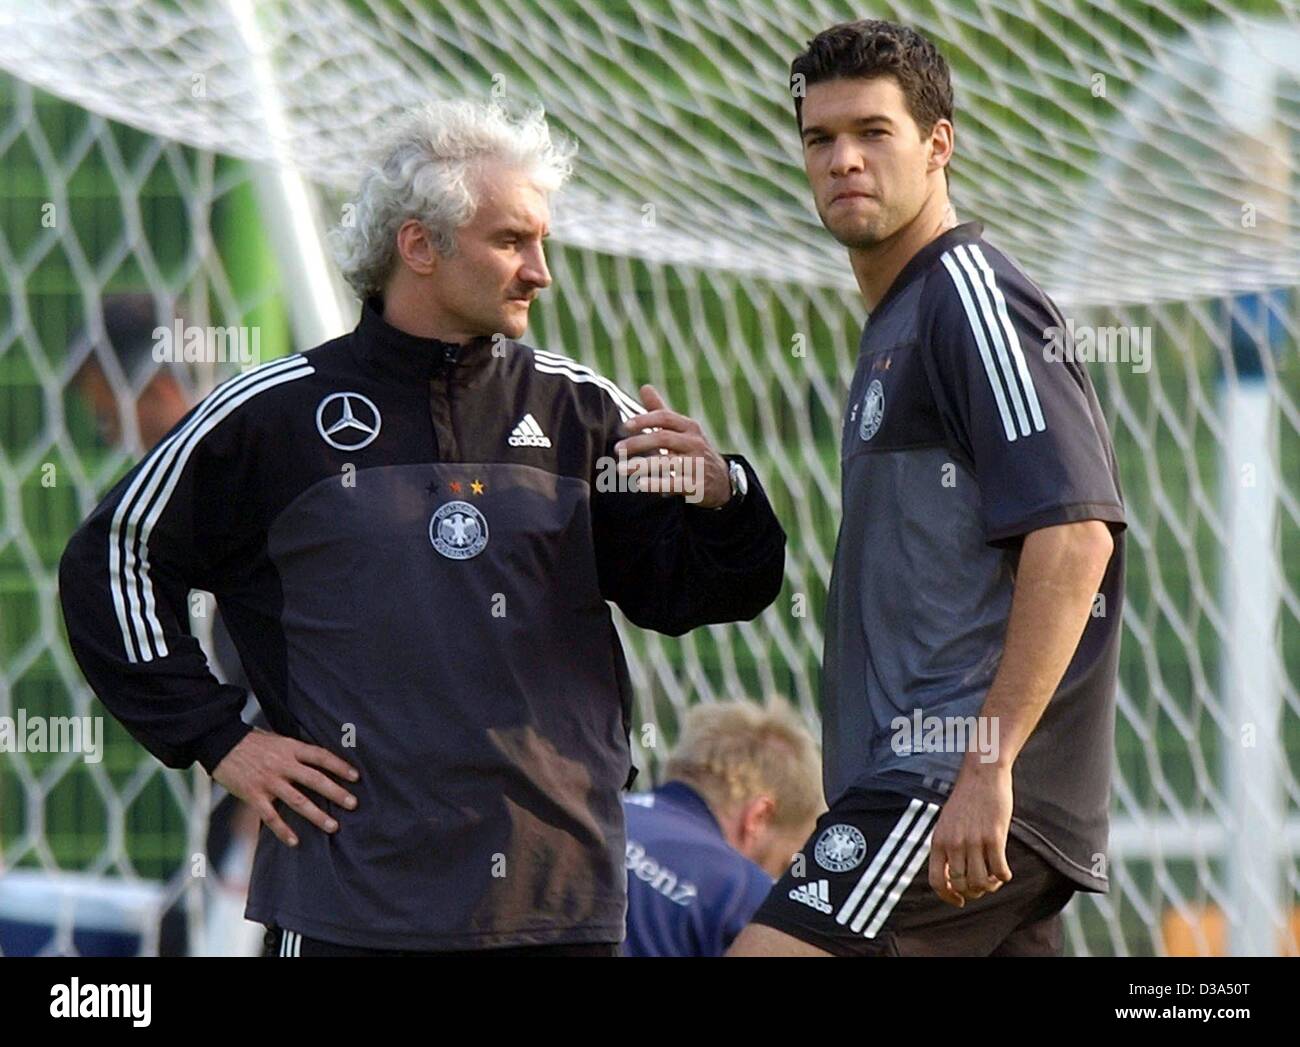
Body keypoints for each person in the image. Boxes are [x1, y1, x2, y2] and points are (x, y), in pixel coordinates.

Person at [59, 100, 786, 957]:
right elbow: (111, 561)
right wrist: (221, 739)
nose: (540, 271)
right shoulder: (271, 416)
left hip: (556, 905)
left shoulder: (583, 413)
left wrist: (727, 497)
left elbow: (696, 591)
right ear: (419, 246)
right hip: (350, 910)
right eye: (512, 241)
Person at [730, 20, 1125, 957]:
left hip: (948, 782)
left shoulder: (969, 297)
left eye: (873, 132)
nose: (843, 161)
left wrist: (985, 767)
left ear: (938, 143)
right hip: (944, 792)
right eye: (820, 139)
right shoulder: (897, 319)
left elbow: (1075, 537)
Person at [622, 701, 821, 957]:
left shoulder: (601, 814)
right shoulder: (741, 891)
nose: (775, 878)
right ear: (758, 816)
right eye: (783, 865)